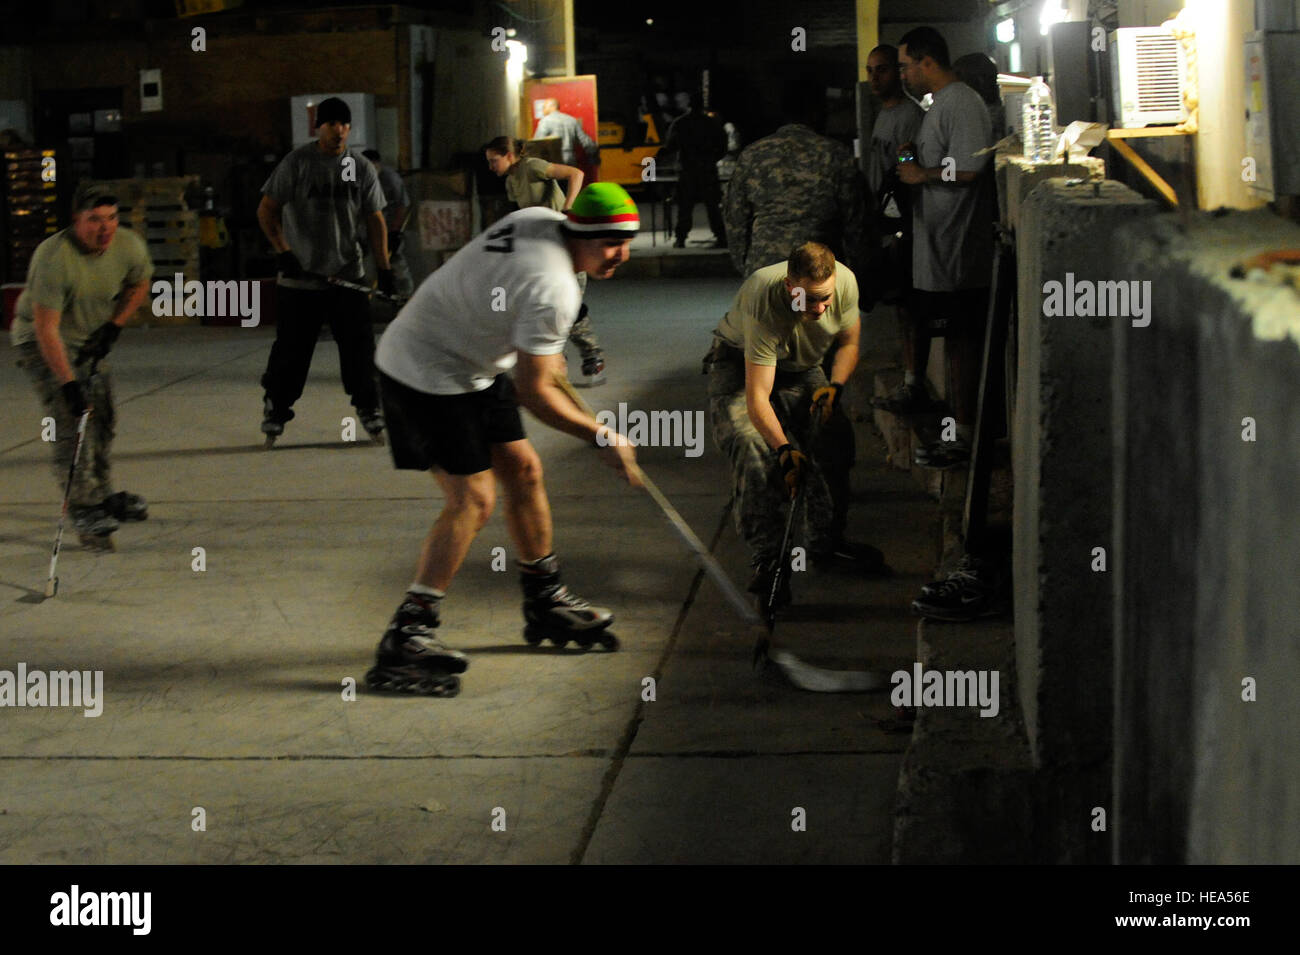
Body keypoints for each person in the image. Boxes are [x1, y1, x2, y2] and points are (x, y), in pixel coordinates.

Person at [365, 183, 643, 696]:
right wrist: (600, 435)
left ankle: (545, 599)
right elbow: (535, 394)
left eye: (627, 241)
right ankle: (408, 634)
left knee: (524, 470)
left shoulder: (539, 216)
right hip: (423, 372)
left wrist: (537, 346)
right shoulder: (555, 288)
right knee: (472, 499)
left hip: (472, 362)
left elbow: (513, 316)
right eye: (609, 243)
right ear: (578, 233)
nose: (621, 255)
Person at [705, 241, 887, 603]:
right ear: (791, 286)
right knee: (752, 447)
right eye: (810, 299)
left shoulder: (845, 284)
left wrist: (834, 387)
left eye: (826, 298)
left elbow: (849, 343)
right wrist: (786, 450)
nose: (820, 308)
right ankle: (769, 560)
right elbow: (758, 397)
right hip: (740, 366)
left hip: (802, 368)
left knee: (833, 437)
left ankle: (825, 543)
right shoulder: (765, 297)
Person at [10, 182, 153, 549]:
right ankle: (82, 507)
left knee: (103, 418)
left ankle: (101, 494)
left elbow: (140, 282)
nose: (104, 228)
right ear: (76, 221)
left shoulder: (127, 245)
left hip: (88, 340)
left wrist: (114, 325)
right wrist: (69, 385)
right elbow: (45, 328)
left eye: (110, 218)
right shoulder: (54, 257)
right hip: (42, 343)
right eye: (94, 220)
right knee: (72, 421)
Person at [256, 97, 392, 445]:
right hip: (300, 279)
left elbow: (376, 219)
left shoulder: (360, 167)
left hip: (347, 275)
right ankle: (277, 407)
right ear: (319, 127)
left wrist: (384, 267)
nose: (340, 131)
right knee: (292, 350)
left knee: (359, 349)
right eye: (332, 124)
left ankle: (369, 406)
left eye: (345, 125)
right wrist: (283, 252)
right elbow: (266, 210)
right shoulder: (297, 163)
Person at [896, 27, 995, 470]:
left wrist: (922, 175)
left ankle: (966, 439)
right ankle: (957, 435)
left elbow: (970, 171)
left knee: (961, 344)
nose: (903, 75)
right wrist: (906, 161)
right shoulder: (941, 106)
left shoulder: (962, 103)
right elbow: (919, 166)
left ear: (926, 61)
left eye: (904, 66)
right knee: (951, 342)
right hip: (938, 251)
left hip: (958, 252)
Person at [484, 136, 606, 386]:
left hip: (568, 245)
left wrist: (568, 208)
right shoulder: (512, 180)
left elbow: (576, 173)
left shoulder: (532, 166)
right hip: (544, 248)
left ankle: (592, 354)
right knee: (541, 303)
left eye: (494, 160)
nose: (491, 167)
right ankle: (554, 359)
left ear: (509, 156)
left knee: (568, 305)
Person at [722, 81, 867, 278]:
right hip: (819, 271)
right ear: (817, 112)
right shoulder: (835, 154)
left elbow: (735, 219)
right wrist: (858, 273)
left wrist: (746, 266)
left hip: (764, 268)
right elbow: (856, 223)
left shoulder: (753, 155)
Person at [863, 44, 933, 416]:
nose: (875, 78)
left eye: (883, 70)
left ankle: (914, 383)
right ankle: (910, 381)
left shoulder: (910, 115)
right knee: (898, 306)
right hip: (885, 222)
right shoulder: (882, 115)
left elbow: (910, 162)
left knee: (911, 304)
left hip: (905, 222)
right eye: (871, 71)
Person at [662, 91, 728, 249]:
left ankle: (680, 238)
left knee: (685, 207)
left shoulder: (680, 123)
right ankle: (721, 237)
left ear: (689, 105)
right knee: (713, 207)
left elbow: (670, 146)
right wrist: (712, 159)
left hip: (687, 170)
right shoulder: (712, 123)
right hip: (707, 169)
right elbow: (723, 146)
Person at [361, 148, 413, 299]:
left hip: (390, 229)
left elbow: (402, 206)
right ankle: (377, 296)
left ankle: (405, 296)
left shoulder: (390, 178)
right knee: (370, 264)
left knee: (396, 262)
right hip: (370, 229)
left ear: (378, 164)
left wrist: (395, 232)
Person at [534, 99, 601, 171]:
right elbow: (585, 141)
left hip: (554, 161)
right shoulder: (571, 120)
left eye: (544, 107)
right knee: (570, 181)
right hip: (570, 159)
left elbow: (537, 143)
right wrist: (593, 155)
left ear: (553, 106)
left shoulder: (545, 121)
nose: (543, 110)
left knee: (555, 182)